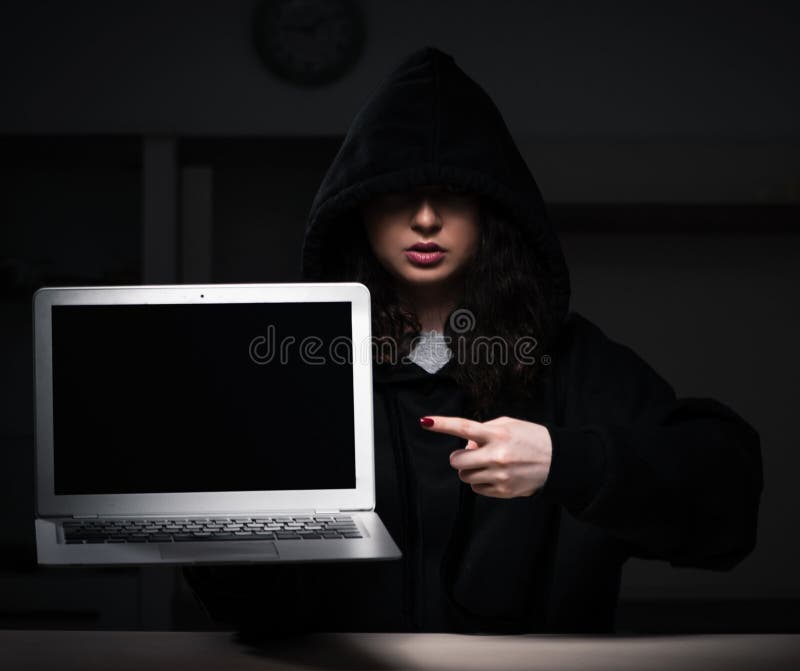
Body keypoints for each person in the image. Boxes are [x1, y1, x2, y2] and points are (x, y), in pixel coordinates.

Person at [183, 47, 763, 634]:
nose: (427, 218)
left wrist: (568, 462)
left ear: (491, 209)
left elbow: (729, 505)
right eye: (398, 193)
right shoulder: (301, 370)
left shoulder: (574, 364)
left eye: (452, 194)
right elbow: (247, 607)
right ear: (358, 211)